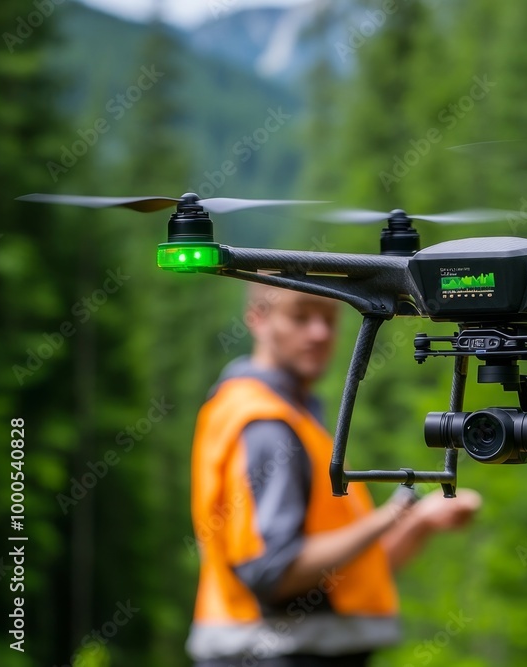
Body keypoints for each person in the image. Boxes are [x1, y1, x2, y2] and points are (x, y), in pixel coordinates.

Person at [186, 283, 481, 667]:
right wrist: (393, 513)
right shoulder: (266, 425)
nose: (320, 333)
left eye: (329, 319)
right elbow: (274, 572)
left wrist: (418, 522)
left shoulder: (294, 416)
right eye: (300, 317)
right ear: (257, 318)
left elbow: (342, 572)